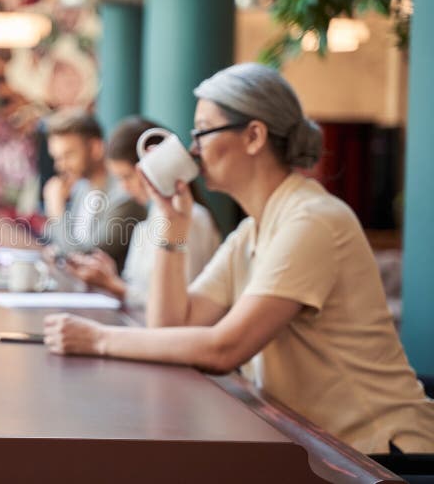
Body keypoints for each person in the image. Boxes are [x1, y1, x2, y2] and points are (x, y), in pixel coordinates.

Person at [43, 63, 434, 456]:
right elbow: (169, 326)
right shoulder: (252, 231)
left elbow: (224, 349)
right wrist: (173, 223)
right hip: (318, 447)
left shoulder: (313, 220)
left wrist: (99, 339)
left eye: (203, 131)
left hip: (381, 456)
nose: (193, 148)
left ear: (253, 136)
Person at [64, 116, 220, 311]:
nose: (124, 188)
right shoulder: (150, 220)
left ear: (155, 169)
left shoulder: (192, 220)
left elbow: (181, 305)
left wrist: (116, 286)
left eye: (127, 177)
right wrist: (109, 276)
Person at [42, 109, 147, 272]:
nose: (60, 166)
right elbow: (62, 243)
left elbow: (86, 257)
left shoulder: (125, 196)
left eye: (68, 155)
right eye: (57, 158)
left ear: (96, 148)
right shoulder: (81, 187)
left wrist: (56, 211)